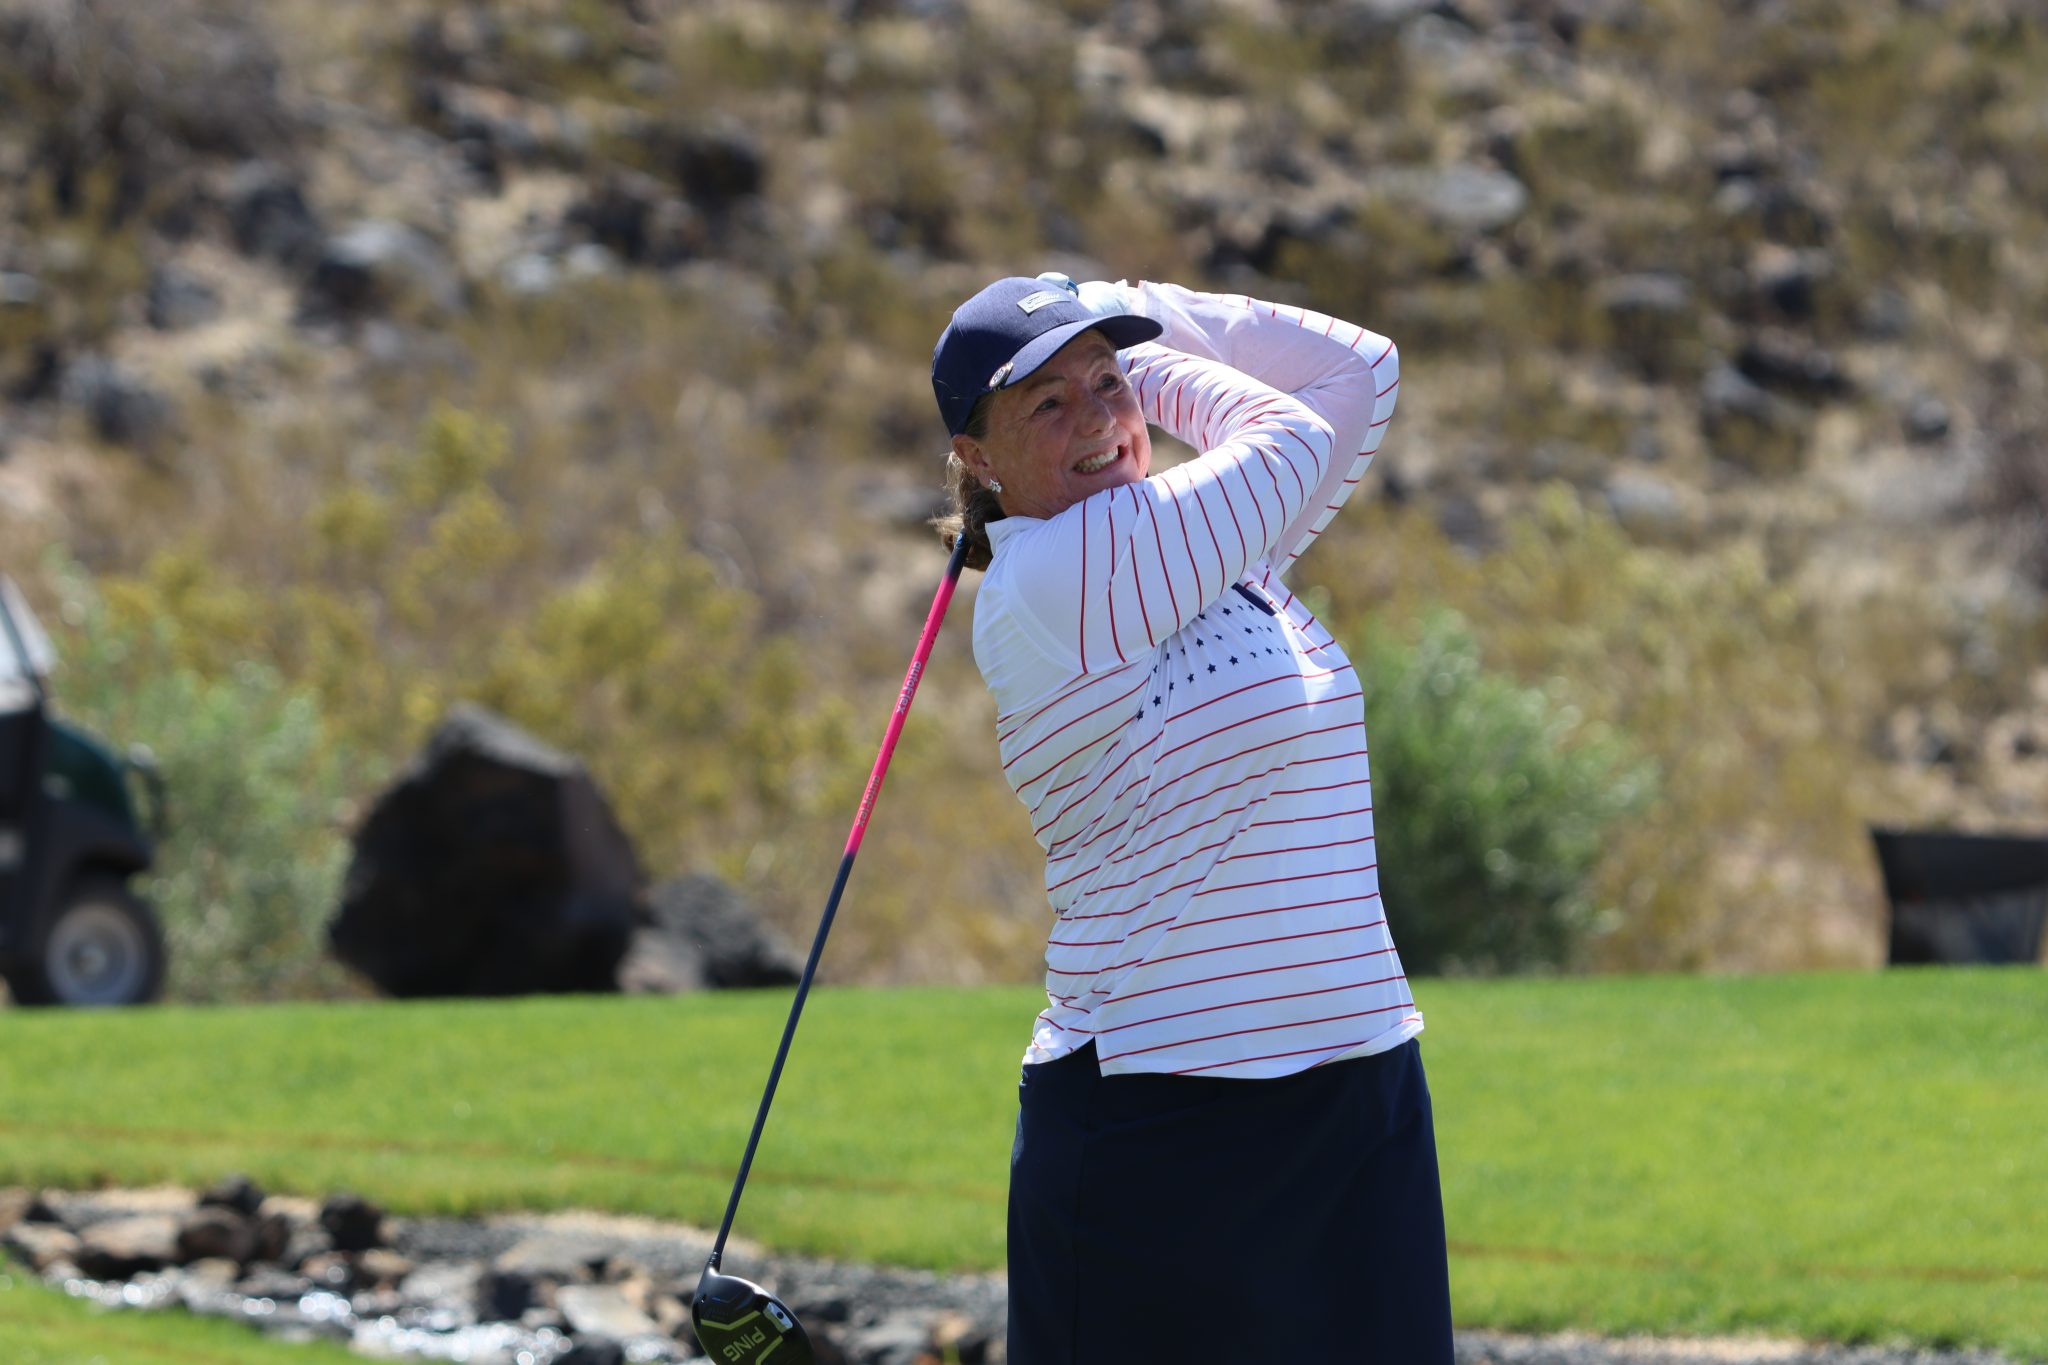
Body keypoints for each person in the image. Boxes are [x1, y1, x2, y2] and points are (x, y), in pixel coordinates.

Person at [929, 274, 1452, 1363]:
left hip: (1357, 1090)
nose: (1100, 423)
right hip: (1166, 1121)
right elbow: (1297, 430)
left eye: (1106, 387)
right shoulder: (1047, 580)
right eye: (1047, 405)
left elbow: (1362, 368)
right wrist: (1142, 358)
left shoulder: (1216, 553)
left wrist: (1119, 302)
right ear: (976, 460)